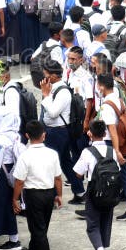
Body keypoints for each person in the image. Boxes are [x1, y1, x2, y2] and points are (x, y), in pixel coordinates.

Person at [12, 120, 63, 250]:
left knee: (38, 229)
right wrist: (59, 195)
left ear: (27, 135)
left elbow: (19, 181)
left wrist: (15, 199)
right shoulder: (52, 154)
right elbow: (58, 178)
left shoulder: (25, 155)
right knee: (41, 227)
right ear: (44, 135)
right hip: (49, 193)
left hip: (33, 195)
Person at [73, 120, 117, 250]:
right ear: (105, 134)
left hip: (94, 193)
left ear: (90, 133)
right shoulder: (112, 151)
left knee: (92, 225)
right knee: (105, 222)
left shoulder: (87, 152)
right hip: (111, 193)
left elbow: (78, 173)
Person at [40, 60, 86, 204]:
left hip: (58, 132)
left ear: (53, 76)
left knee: (51, 164)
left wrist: (45, 95)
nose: (43, 78)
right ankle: (79, 192)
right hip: (53, 131)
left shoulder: (63, 91)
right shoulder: (53, 87)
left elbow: (53, 112)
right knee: (66, 163)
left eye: (46, 75)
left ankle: (52, 197)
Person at [96, 74, 126, 221]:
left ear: (101, 86)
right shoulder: (118, 99)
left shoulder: (107, 105)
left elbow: (112, 130)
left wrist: (117, 151)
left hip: (110, 144)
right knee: (124, 174)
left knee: (103, 174)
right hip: (118, 143)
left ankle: (99, 207)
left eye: (98, 85)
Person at [0, 112, 25, 250]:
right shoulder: (15, 135)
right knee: (9, 205)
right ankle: (13, 238)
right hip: (12, 172)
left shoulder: (1, 138)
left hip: (2, 175)